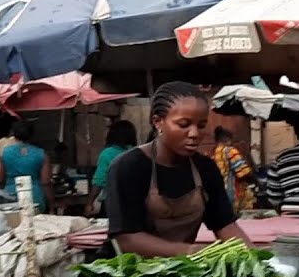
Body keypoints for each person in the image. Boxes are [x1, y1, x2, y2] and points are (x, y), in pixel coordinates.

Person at [106, 82, 250, 257]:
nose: (194, 133)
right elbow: (126, 240)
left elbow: (226, 226)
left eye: (202, 125)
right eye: (184, 124)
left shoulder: (205, 168)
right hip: (130, 274)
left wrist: (257, 261)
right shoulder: (129, 167)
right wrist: (192, 252)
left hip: (180, 270)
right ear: (158, 122)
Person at [0, 122, 52, 213]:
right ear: (32, 135)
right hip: (35, 197)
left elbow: (0, 179)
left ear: (13, 134)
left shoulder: (4, 153)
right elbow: (45, 182)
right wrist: (51, 203)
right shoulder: (41, 154)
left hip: (10, 199)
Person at [88, 120, 137, 216]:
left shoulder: (107, 154)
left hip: (112, 202)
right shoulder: (136, 153)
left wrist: (89, 203)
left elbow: (99, 181)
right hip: (134, 202)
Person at [213, 127, 256, 215]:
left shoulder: (215, 152)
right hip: (232, 193)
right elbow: (244, 173)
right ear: (227, 139)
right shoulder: (230, 151)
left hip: (219, 193)